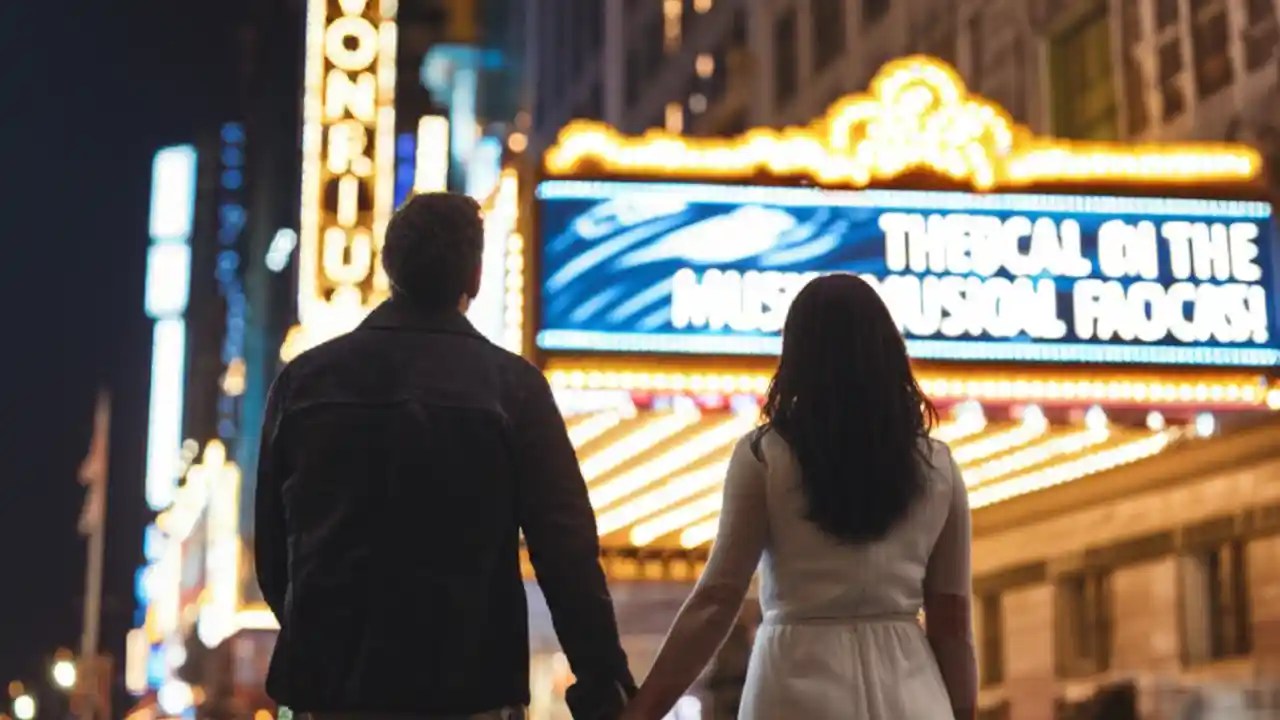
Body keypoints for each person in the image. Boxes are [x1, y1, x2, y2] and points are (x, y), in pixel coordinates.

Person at [254, 192, 636, 720]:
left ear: (389, 267)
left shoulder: (302, 382)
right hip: (469, 692)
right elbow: (565, 552)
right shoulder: (514, 389)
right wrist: (603, 680)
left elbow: (275, 557)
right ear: (474, 278)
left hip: (330, 692)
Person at [620, 274, 977, 720]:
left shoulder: (765, 458)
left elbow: (716, 602)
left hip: (793, 682)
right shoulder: (937, 466)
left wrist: (642, 710)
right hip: (912, 689)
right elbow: (952, 623)